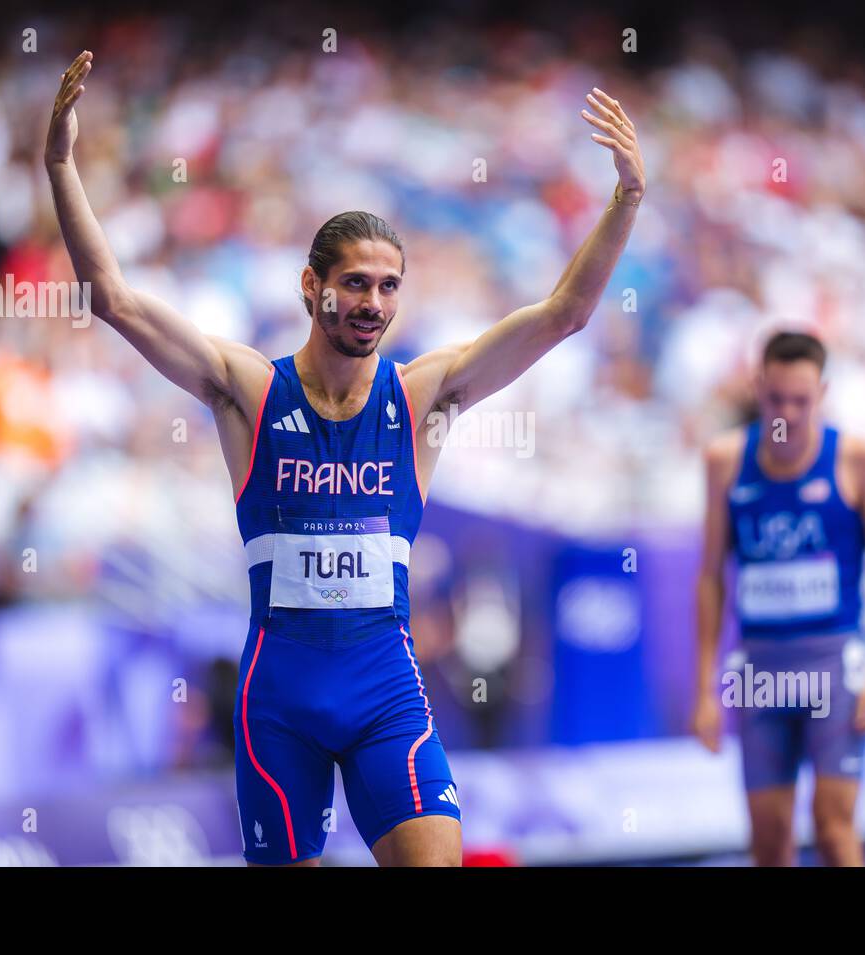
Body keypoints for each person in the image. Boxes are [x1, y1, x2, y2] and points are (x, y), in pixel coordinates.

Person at [44, 50, 646, 866]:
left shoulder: (423, 396)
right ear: (310, 287)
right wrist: (60, 165)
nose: (373, 303)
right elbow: (111, 297)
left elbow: (566, 313)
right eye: (356, 284)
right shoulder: (248, 392)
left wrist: (627, 197)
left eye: (390, 286)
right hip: (280, 702)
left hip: (384, 696)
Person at [692, 330, 865, 866]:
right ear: (758, 386)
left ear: (823, 392)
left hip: (834, 664)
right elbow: (710, 576)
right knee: (768, 837)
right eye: (775, 399)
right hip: (761, 669)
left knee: (834, 829)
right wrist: (703, 690)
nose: (787, 412)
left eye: (801, 401)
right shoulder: (724, 461)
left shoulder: (859, 459)